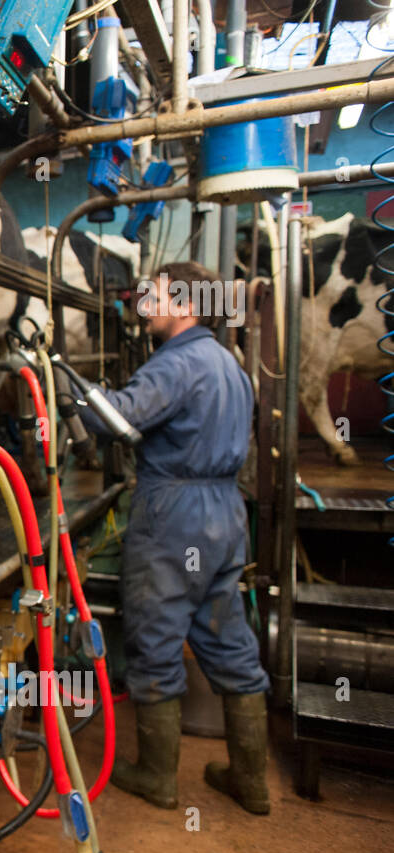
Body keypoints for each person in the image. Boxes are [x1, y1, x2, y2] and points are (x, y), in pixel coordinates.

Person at [78, 260, 270, 815]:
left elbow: (117, 416)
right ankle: (251, 783)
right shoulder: (228, 364)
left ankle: (158, 778)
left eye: (154, 295)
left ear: (184, 305)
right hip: (225, 512)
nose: (144, 304)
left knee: (155, 639)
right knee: (229, 639)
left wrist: (72, 390)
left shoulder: (176, 364)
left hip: (176, 511)